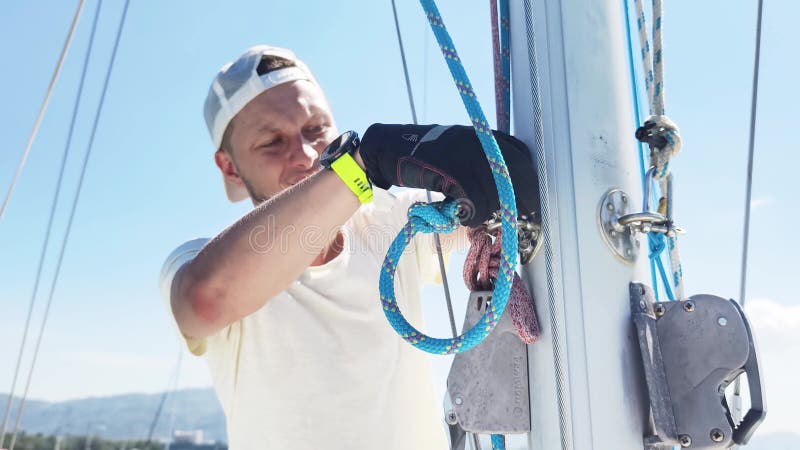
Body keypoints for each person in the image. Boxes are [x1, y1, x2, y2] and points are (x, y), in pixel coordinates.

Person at [159, 45, 537, 450]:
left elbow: (483, 216)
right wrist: (358, 167)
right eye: (272, 141)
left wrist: (491, 185)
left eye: (316, 130)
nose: (305, 155)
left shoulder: (391, 221)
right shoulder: (202, 262)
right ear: (230, 167)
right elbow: (205, 300)